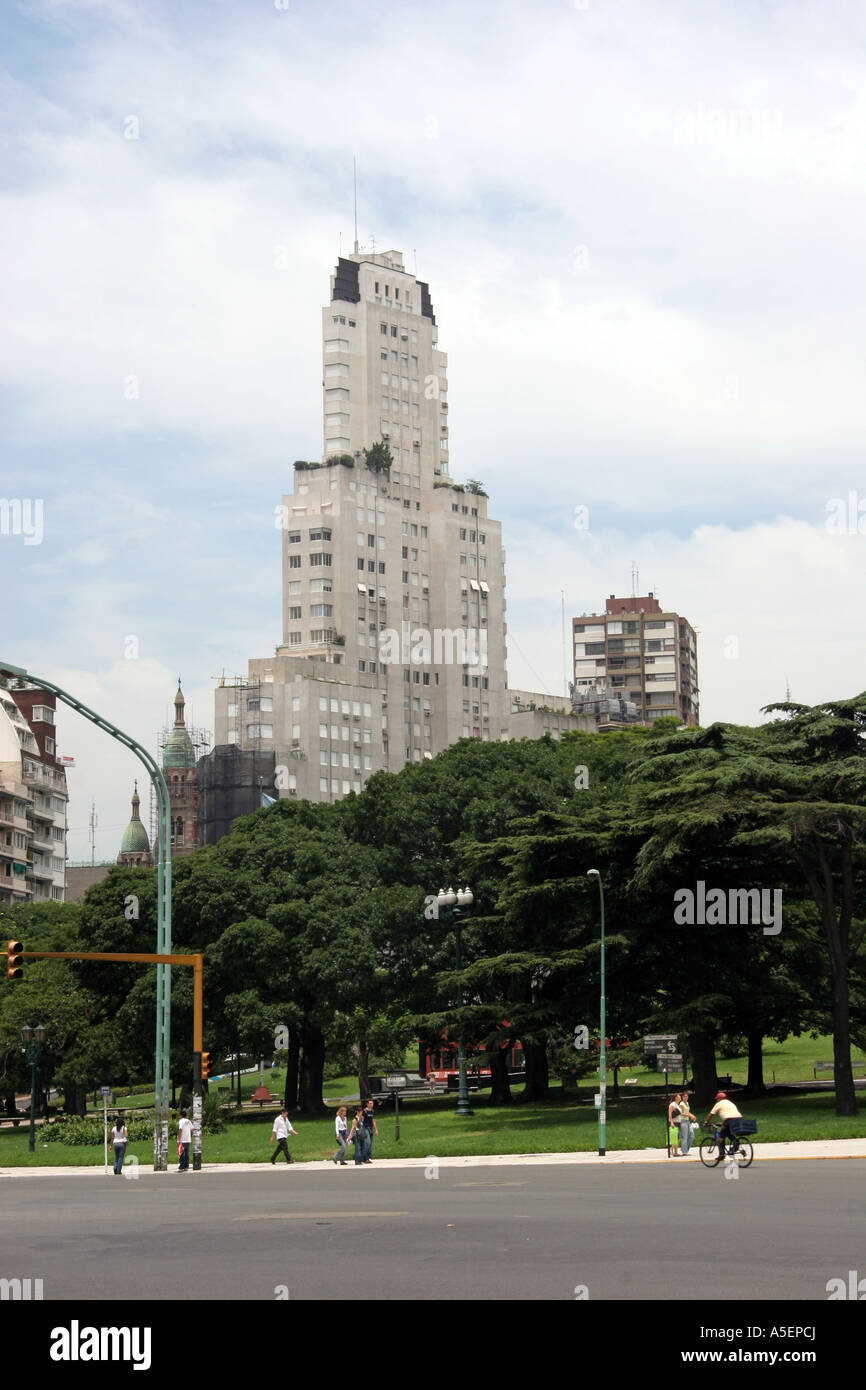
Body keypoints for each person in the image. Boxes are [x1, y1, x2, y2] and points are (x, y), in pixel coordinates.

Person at [703, 1091, 742, 1158]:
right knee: (730, 1134)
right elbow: (730, 1113)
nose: (716, 1100)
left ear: (719, 1099)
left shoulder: (719, 1104)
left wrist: (706, 1122)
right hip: (739, 1119)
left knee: (720, 1138)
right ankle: (734, 1148)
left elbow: (710, 1114)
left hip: (729, 1120)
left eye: (717, 1099)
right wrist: (723, 1123)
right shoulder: (730, 1103)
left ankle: (721, 1154)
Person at [677, 1090, 697, 1156]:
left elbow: (687, 1111)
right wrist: (689, 1115)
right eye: (685, 1096)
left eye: (687, 1096)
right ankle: (684, 1152)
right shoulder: (681, 1104)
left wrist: (692, 1115)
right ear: (682, 1097)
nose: (686, 1097)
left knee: (692, 1135)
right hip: (683, 1121)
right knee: (684, 1137)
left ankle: (685, 1149)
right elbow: (681, 1113)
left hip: (688, 1121)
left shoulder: (687, 1103)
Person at [361, 1097, 379, 1163]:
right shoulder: (364, 1111)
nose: (372, 1104)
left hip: (371, 1128)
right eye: (370, 1103)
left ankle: (367, 1158)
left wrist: (376, 1129)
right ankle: (363, 1157)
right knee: (367, 1142)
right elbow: (361, 1120)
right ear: (367, 1104)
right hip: (365, 1128)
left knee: (370, 1144)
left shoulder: (372, 1111)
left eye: (372, 1103)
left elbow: (373, 1120)